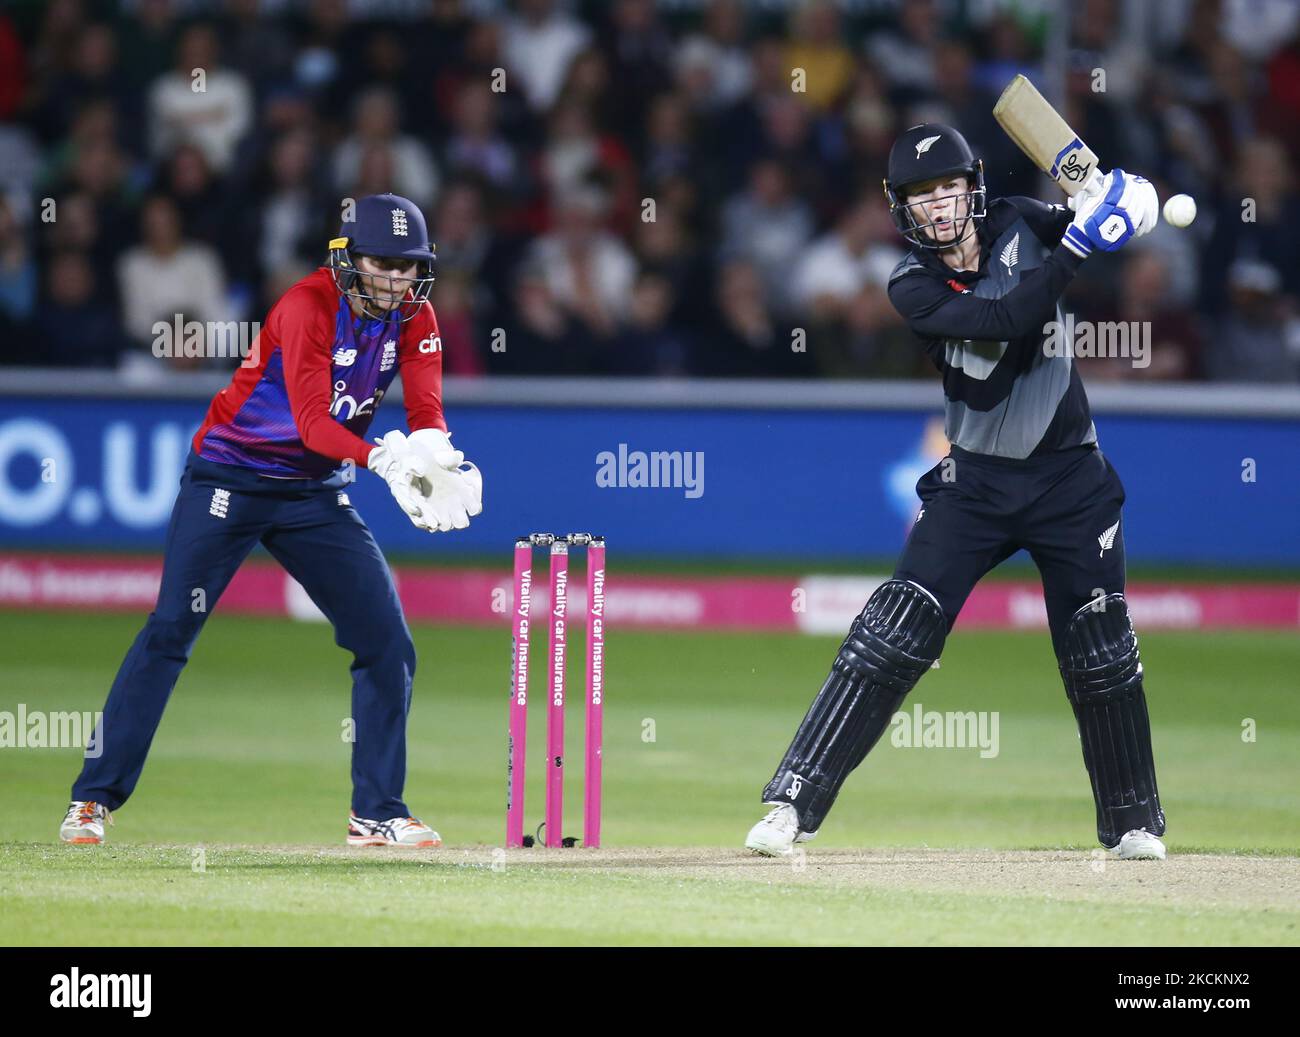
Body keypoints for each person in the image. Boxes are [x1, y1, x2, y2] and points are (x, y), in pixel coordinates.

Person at [745, 124, 1169, 861]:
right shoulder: (911, 285)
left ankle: (1133, 822)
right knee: (891, 632)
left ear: (972, 186)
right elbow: (1006, 321)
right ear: (900, 208)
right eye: (920, 195)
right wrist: (1080, 244)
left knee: (1100, 645)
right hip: (975, 480)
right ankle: (791, 803)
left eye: (947, 188)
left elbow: (1113, 226)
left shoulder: (1020, 218)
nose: (938, 206)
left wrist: (1128, 203)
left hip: (1071, 477)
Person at [60, 194, 482, 848]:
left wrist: (440, 455)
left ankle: (376, 811)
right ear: (347, 258)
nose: (396, 280)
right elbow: (314, 426)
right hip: (230, 476)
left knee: (387, 642)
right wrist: (381, 460)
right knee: (171, 629)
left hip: (313, 492)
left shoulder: (416, 315)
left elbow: (427, 414)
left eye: (408, 266)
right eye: (382, 263)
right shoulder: (306, 306)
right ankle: (92, 799)